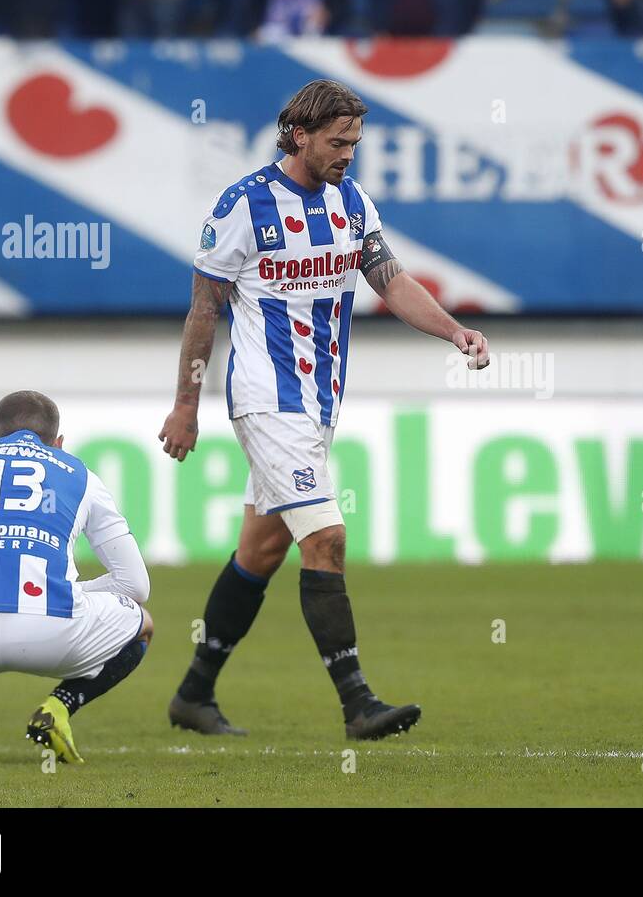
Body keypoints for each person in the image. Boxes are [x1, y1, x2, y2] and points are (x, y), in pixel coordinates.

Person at [159, 79, 490, 739]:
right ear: (299, 136)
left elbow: (389, 279)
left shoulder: (352, 202)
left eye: (356, 143)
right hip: (264, 400)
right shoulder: (242, 206)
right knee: (328, 539)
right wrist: (186, 405)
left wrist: (454, 330)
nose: (349, 154)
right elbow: (204, 312)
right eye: (339, 143)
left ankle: (194, 693)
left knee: (261, 548)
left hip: (318, 405)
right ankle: (358, 702)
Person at [0, 390, 154, 763]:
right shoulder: (80, 474)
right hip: (56, 638)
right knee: (144, 624)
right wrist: (69, 590)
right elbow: (136, 585)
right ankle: (59, 708)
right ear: (59, 444)